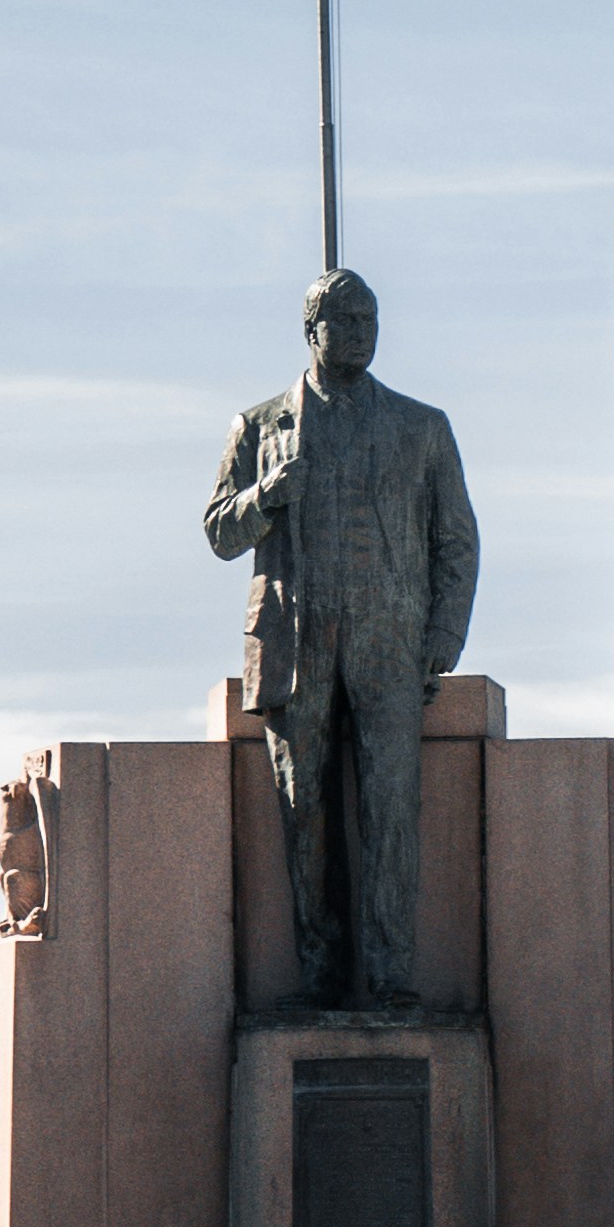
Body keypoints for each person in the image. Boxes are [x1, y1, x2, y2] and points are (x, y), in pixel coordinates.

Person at [202, 266, 481, 1009]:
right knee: (305, 812)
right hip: (296, 641)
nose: (359, 334)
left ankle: (391, 979)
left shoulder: (423, 427)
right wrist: (266, 494)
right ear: (310, 331)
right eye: (345, 321)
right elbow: (219, 533)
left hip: (390, 642)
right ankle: (322, 978)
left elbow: (456, 540)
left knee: (392, 809)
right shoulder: (260, 425)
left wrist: (443, 636)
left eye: (369, 321)